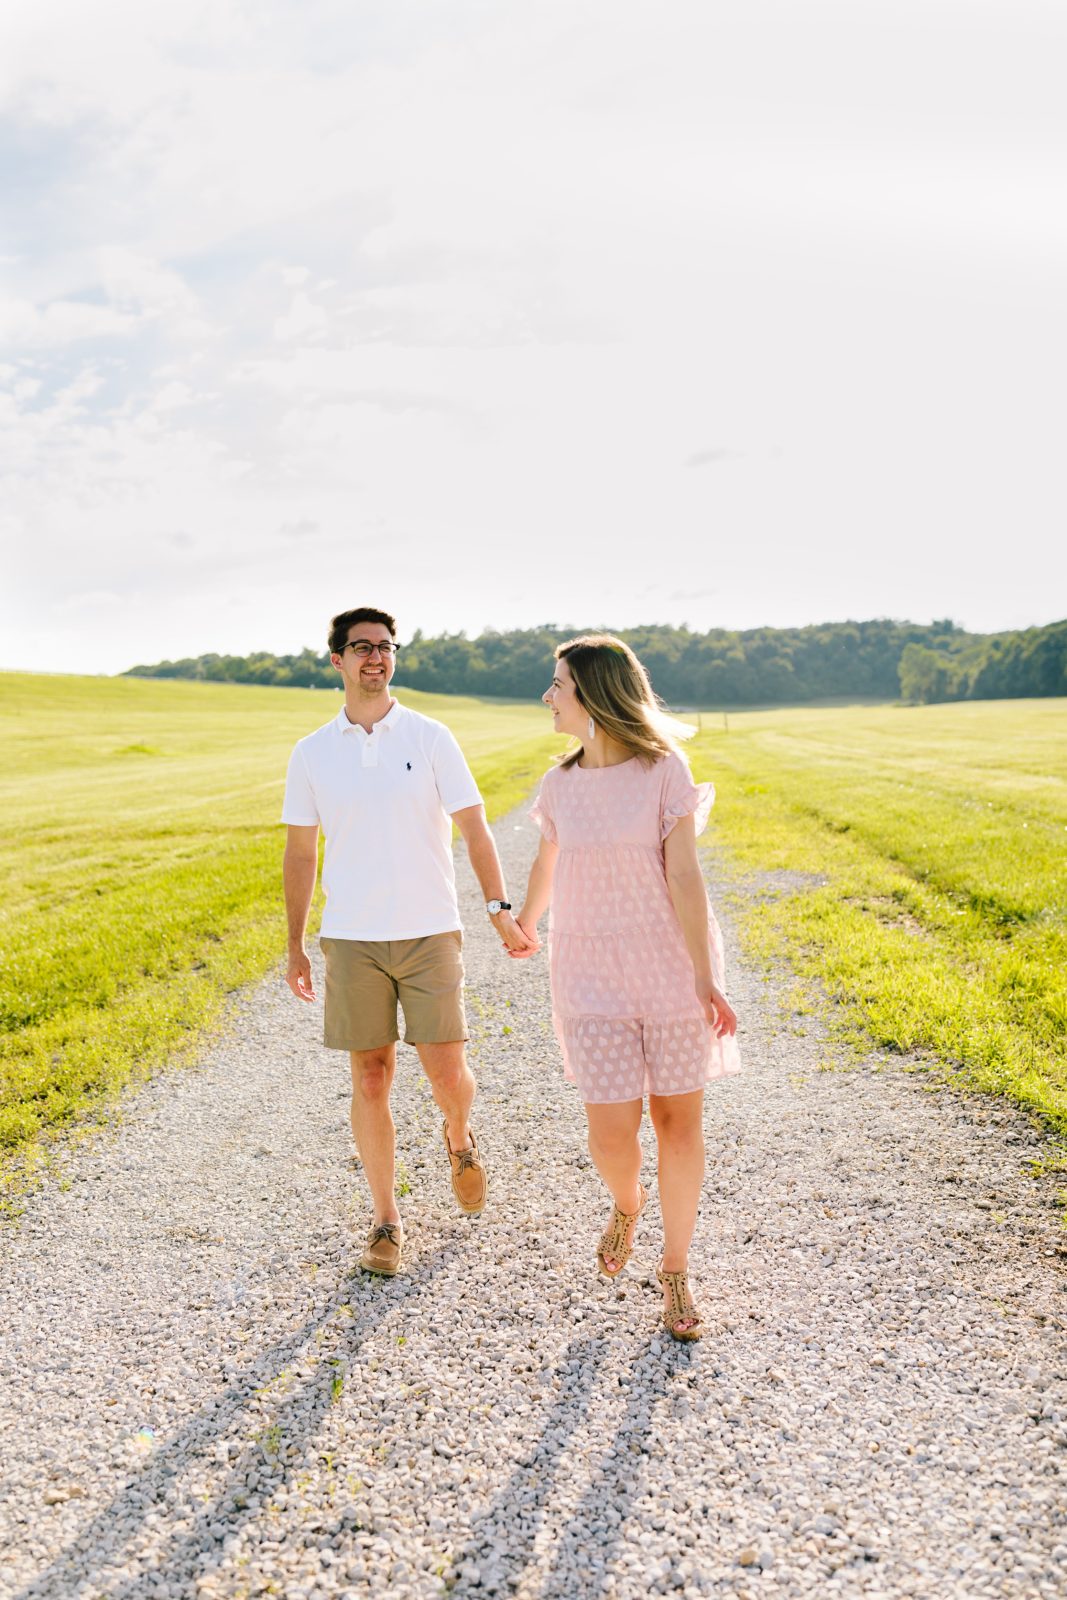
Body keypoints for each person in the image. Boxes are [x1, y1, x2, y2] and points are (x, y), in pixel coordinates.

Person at [282, 605, 534, 1276]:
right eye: (360, 647)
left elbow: (476, 827)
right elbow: (300, 854)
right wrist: (295, 941)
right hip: (353, 939)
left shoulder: (428, 737)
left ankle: (457, 1135)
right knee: (369, 1076)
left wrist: (497, 908)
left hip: (428, 929)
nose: (375, 656)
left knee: (446, 1073)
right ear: (335, 660)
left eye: (385, 647)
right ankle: (386, 1222)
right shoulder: (311, 753)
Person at [512, 635, 740, 1341]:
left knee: (678, 1124)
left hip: (669, 968)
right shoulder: (559, 785)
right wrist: (522, 923)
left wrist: (705, 978)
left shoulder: (662, 771)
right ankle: (627, 1202)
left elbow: (684, 877)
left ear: (593, 693)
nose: (547, 697)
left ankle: (674, 1271)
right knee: (610, 1135)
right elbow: (547, 865)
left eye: (557, 685)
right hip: (586, 976)